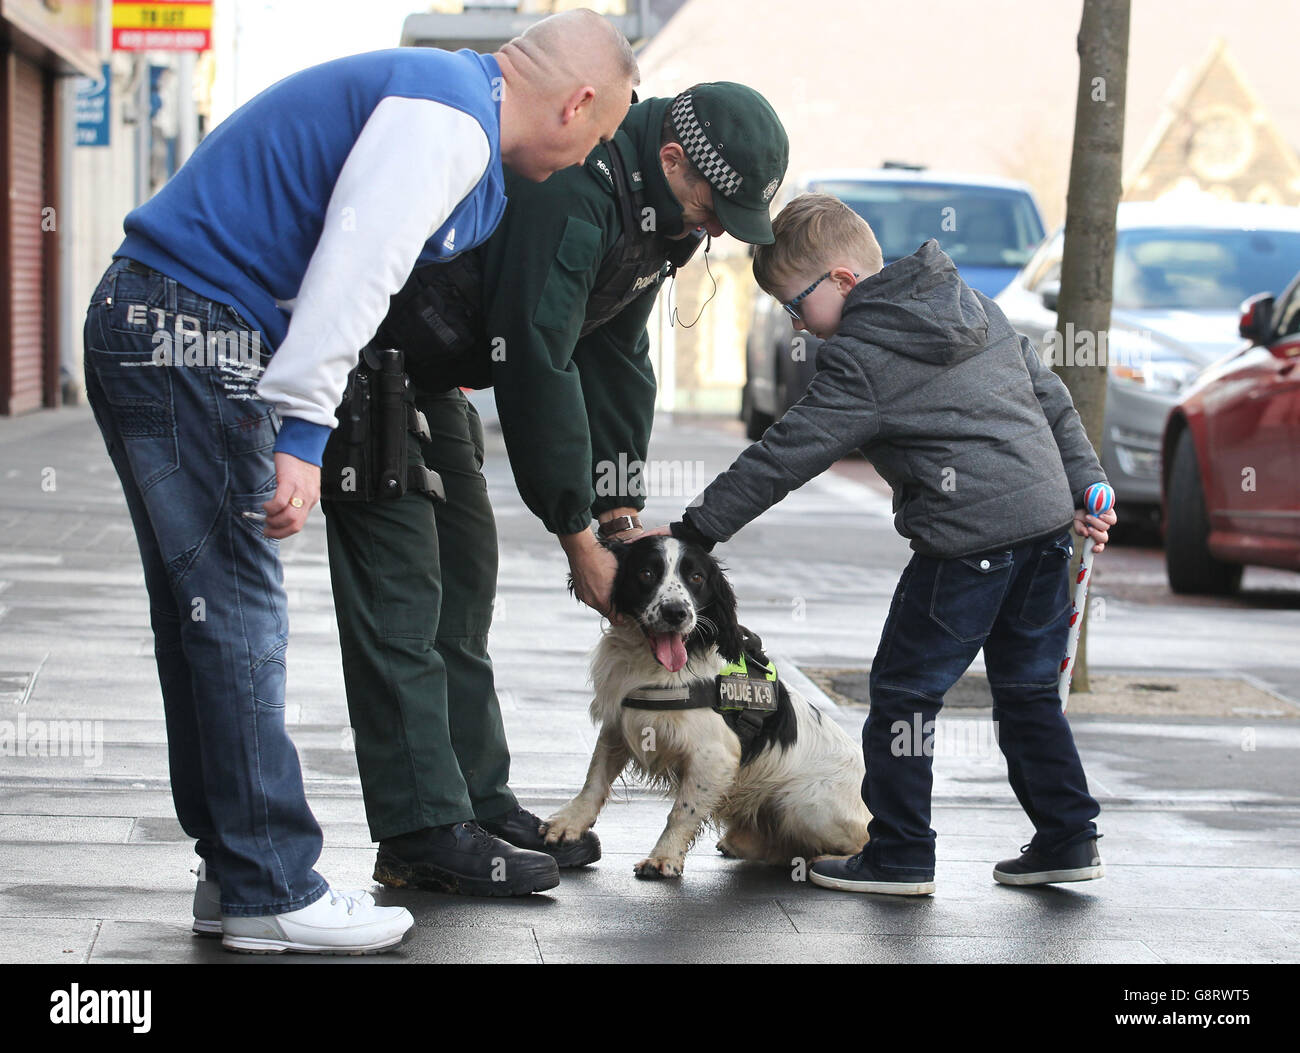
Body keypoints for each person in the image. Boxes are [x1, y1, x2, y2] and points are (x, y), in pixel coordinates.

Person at [81, 10, 638, 953]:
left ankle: (234, 869)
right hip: (195, 325)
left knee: (202, 617)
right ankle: (272, 885)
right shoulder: (451, 117)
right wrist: (302, 428)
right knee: (240, 610)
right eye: (602, 136)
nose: (592, 156)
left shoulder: (442, 103)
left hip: (150, 317)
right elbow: (357, 262)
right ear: (577, 102)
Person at [319, 84, 789, 895]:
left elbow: (614, 351)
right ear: (673, 161)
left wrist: (616, 505)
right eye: (716, 209)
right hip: (373, 364)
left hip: (435, 382)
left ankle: (475, 802)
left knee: (465, 591)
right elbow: (534, 357)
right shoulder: (580, 190)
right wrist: (577, 534)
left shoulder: (661, 220)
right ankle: (419, 831)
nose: (715, 230)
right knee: (405, 607)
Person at [656, 193, 1119, 895]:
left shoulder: (863, 358)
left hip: (966, 546)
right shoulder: (970, 302)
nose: (793, 321)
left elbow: (787, 452)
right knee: (1028, 695)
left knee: (903, 693)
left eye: (795, 303)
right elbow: (1047, 390)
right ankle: (1067, 835)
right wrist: (1086, 482)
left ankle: (901, 852)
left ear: (842, 282)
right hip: (1049, 533)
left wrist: (696, 530)